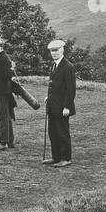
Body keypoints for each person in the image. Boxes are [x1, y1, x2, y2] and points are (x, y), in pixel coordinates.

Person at [43, 39, 76, 167]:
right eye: (52, 51)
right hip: (52, 105)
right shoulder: (54, 65)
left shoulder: (68, 67)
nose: (54, 53)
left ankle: (66, 158)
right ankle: (56, 157)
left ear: (62, 50)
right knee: (53, 132)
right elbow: (54, 86)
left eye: (56, 50)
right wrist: (48, 97)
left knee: (62, 132)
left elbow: (70, 89)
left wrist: (67, 106)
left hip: (62, 107)